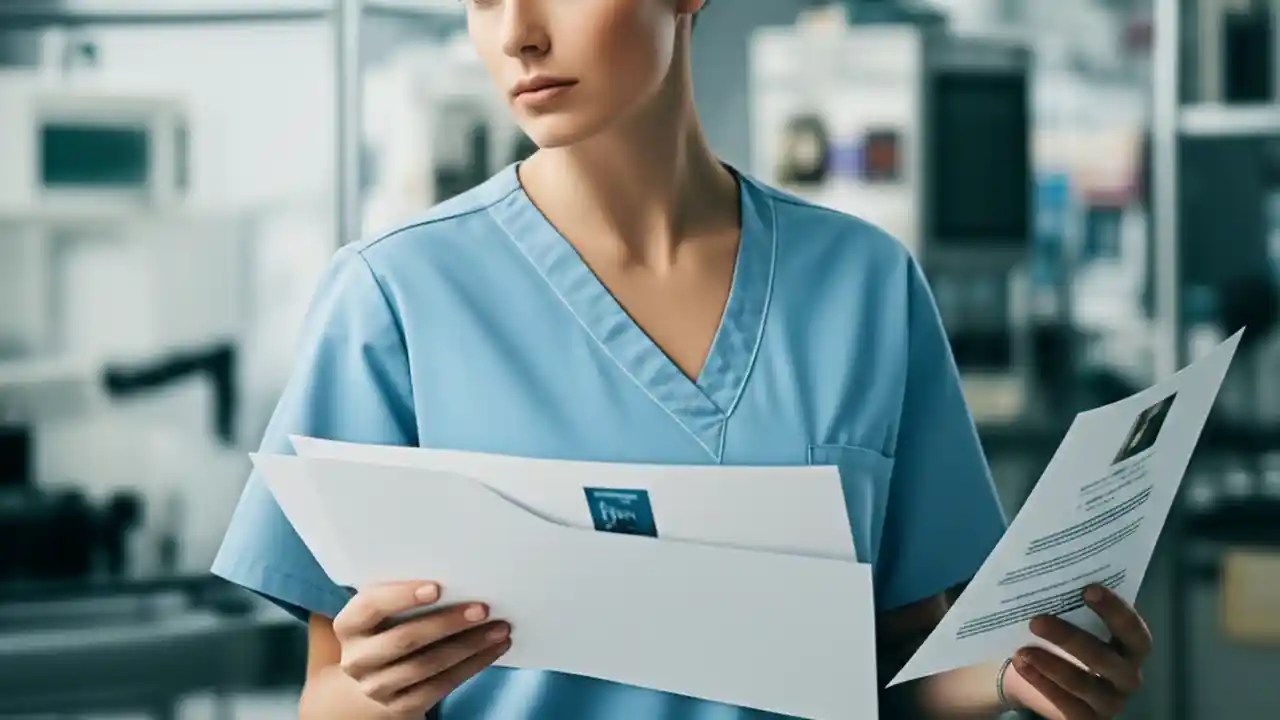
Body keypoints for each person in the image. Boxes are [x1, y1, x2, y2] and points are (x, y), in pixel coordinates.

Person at [212, 1, 1154, 718]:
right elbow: (326, 694)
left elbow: (905, 661)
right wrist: (380, 690)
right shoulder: (395, 297)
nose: (520, 36)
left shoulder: (865, 283)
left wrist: (1020, 677)